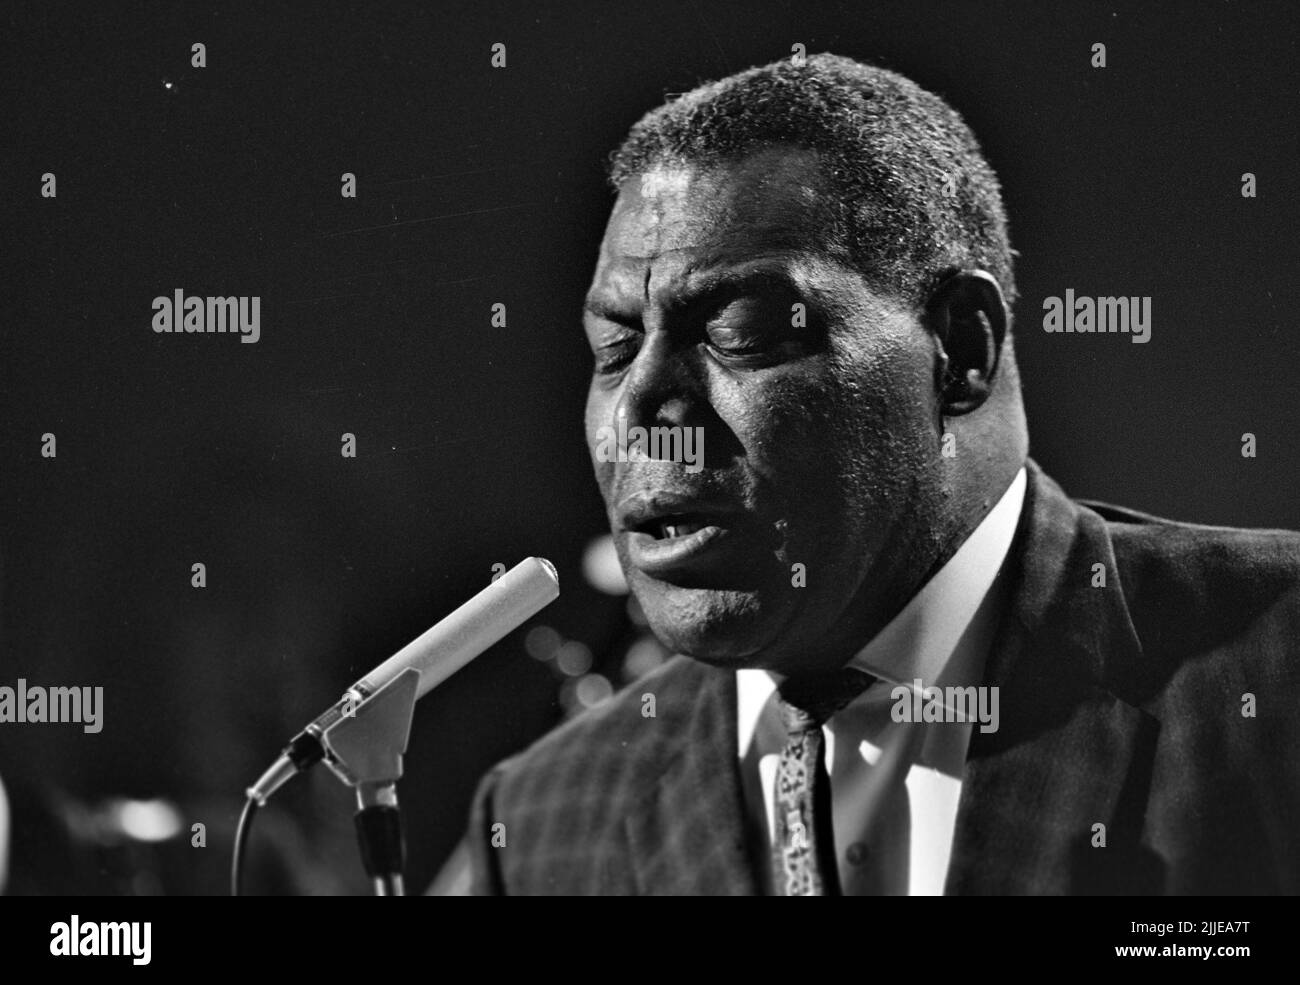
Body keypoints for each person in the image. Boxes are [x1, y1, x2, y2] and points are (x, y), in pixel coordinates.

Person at [450, 53, 1300, 895]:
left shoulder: (1274, 666)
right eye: (615, 348)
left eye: (739, 329)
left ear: (961, 351)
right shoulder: (536, 826)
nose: (640, 418)